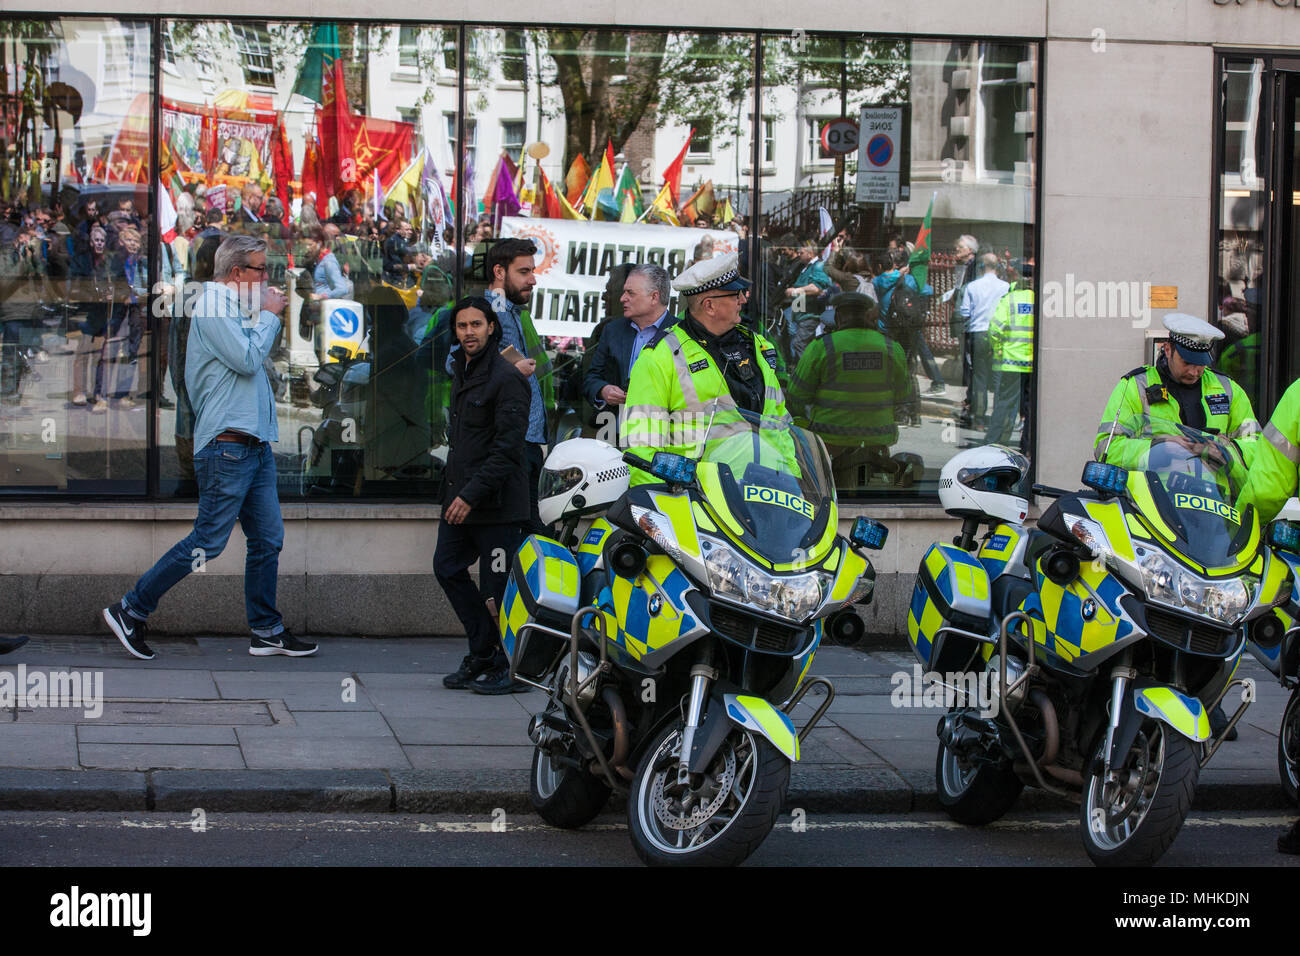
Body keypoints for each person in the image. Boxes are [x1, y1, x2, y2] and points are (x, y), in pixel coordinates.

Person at [102, 235, 317, 660]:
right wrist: (272, 317)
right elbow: (246, 359)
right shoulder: (214, 305)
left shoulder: (233, 307)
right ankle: (130, 609)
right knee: (208, 541)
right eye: (260, 268)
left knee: (268, 538)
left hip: (251, 447)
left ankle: (267, 629)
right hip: (226, 447)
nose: (267, 277)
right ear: (237, 272)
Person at [622, 252, 789, 483]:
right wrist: (662, 506)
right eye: (736, 294)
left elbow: (782, 427)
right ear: (709, 306)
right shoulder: (660, 357)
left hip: (769, 497)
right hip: (700, 502)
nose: (743, 299)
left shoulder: (758, 347)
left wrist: (796, 484)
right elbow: (641, 449)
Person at [436, 296, 531, 695]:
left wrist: (471, 495)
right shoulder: (462, 368)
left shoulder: (507, 377)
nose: (469, 332)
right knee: (447, 567)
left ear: (492, 327)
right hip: (461, 499)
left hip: (496, 507)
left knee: (497, 594)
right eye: (462, 326)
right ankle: (484, 652)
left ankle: (513, 669)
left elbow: (508, 450)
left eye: (476, 324)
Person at [1095, 313, 1261, 471]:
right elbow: (1106, 448)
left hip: (1215, 497)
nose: (1194, 372)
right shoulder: (1135, 386)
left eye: (1200, 364)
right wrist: (1160, 449)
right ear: (1168, 350)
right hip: (1151, 497)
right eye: (1187, 362)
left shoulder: (1228, 389)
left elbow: (1257, 447)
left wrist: (1225, 451)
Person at [787, 291, 911, 486]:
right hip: (877, 443)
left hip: (830, 443)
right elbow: (904, 395)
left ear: (839, 317)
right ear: (868, 316)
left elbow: (796, 394)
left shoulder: (823, 346)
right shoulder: (890, 347)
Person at [479, 238, 554, 532]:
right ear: (499, 271)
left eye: (532, 271)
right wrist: (510, 368)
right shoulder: (491, 309)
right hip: (511, 442)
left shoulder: (508, 310)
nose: (533, 279)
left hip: (529, 439)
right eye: (524, 271)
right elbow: (457, 361)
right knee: (523, 530)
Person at [583, 263, 678, 419]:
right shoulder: (612, 330)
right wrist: (603, 390)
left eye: (630, 293)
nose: (622, 298)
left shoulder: (680, 333)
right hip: (614, 430)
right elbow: (591, 378)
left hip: (664, 431)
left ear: (654, 297)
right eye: (623, 292)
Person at [984, 260, 1035, 448]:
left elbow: (995, 329)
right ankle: (1028, 445)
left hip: (1011, 362)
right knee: (1030, 407)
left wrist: (997, 347)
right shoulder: (1039, 300)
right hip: (1032, 364)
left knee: (1004, 404)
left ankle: (992, 442)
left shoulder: (1010, 299)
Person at [957, 253, 1008, 430]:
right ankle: (999, 417)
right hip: (999, 333)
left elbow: (964, 312)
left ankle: (979, 418)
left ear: (981, 267)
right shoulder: (1005, 287)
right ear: (997, 266)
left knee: (979, 377)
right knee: (998, 377)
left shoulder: (972, 287)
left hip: (978, 333)